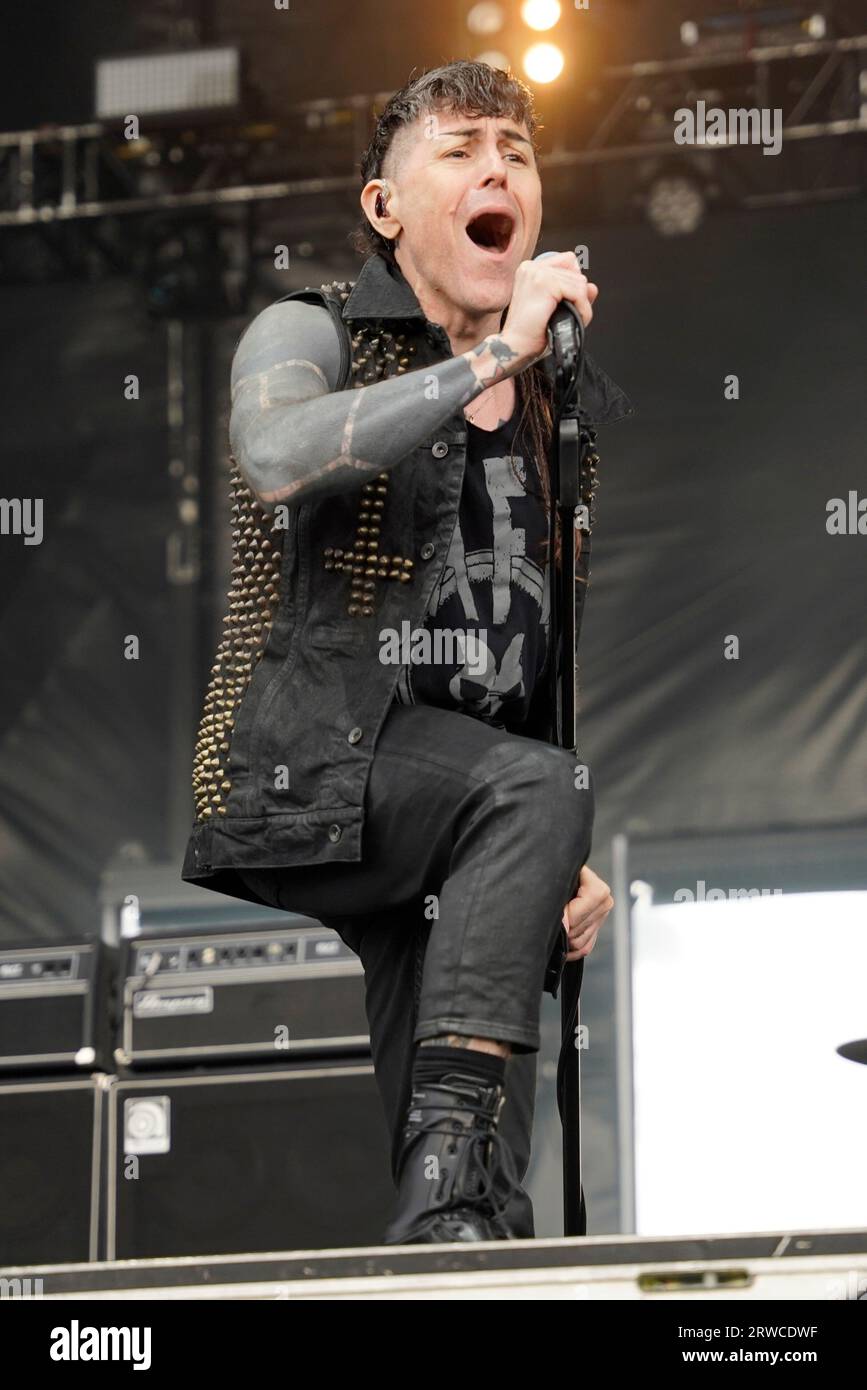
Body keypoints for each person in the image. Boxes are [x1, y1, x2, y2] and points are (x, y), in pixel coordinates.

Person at [182, 59, 633, 1244]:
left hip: (460, 804)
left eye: (519, 153)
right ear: (385, 209)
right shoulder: (312, 327)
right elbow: (278, 454)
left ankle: (452, 1226)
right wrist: (492, 353)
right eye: (462, 148)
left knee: (482, 1184)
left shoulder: (554, 406)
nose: (500, 170)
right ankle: (447, 1180)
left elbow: (526, 637)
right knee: (537, 790)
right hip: (312, 763)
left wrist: (553, 847)